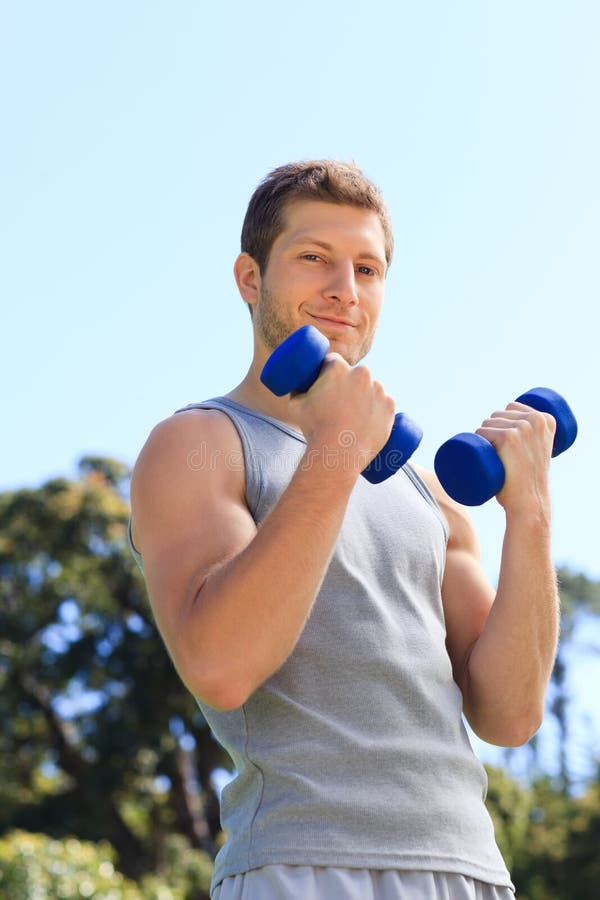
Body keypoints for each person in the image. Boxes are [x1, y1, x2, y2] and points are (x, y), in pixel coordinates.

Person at [129, 160, 560, 899]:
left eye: (368, 268)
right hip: (303, 865)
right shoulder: (200, 443)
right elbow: (223, 665)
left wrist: (531, 515)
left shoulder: (429, 494)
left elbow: (510, 714)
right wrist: (334, 449)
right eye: (314, 259)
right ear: (249, 278)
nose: (344, 289)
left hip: (471, 875)